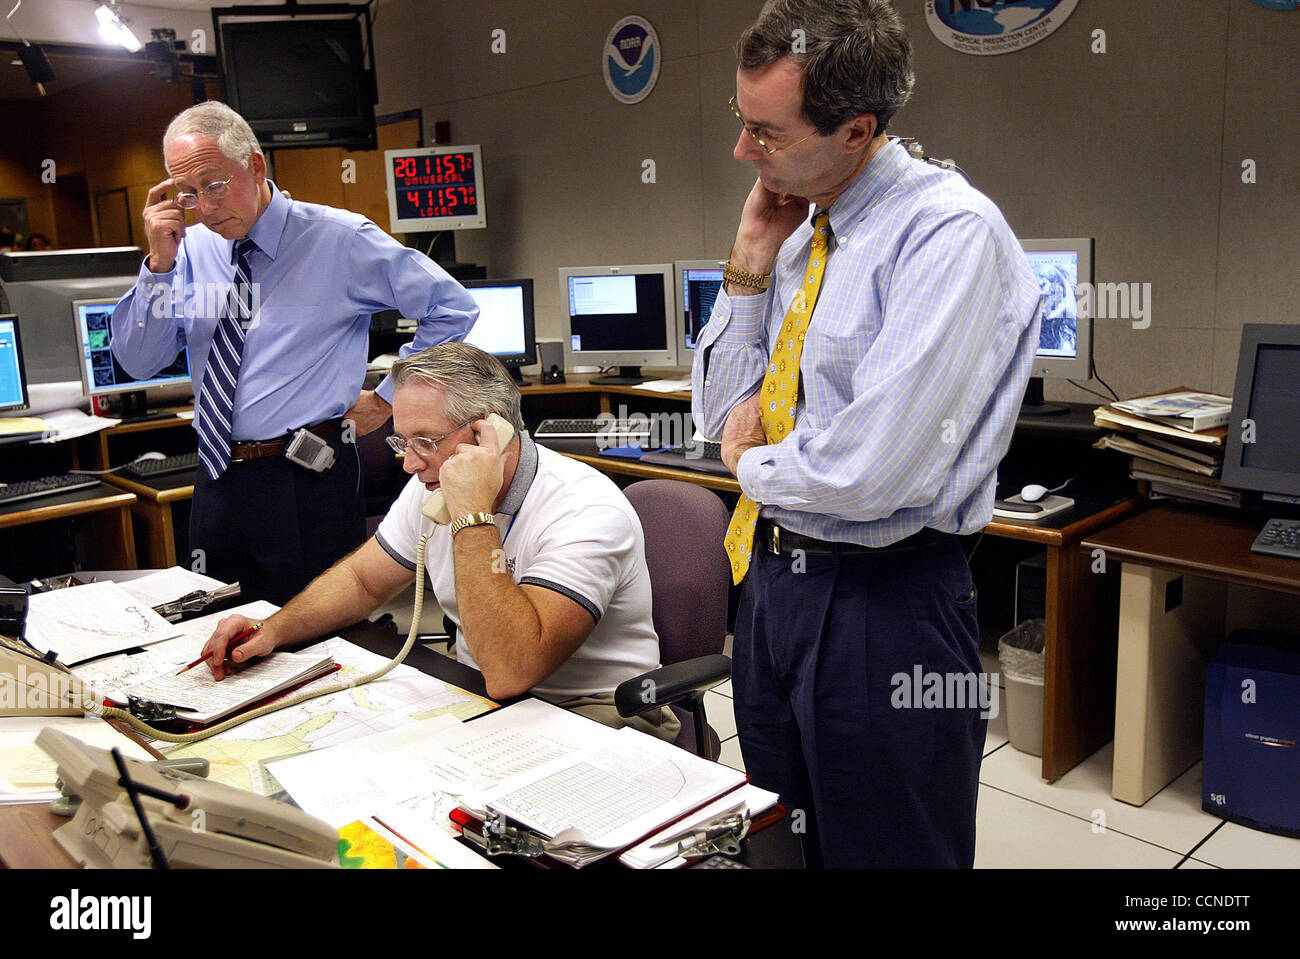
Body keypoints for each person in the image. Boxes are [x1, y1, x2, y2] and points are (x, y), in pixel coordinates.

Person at [692, 0, 1042, 868]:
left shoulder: (947, 235)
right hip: (774, 584)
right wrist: (747, 260)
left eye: (766, 133)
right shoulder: (803, 227)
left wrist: (753, 460)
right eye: (741, 121)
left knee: (890, 849)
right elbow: (716, 415)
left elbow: (872, 472)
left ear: (856, 129)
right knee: (786, 839)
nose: (744, 151)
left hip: (886, 603)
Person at [201, 343, 678, 740]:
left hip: (597, 712)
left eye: (425, 441)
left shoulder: (584, 510)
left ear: (487, 432)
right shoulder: (432, 483)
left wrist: (473, 514)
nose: (409, 462)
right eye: (402, 441)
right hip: (485, 695)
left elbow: (512, 670)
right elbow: (363, 581)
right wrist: (274, 630)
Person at [111, 101, 477, 605]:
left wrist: (390, 397)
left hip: (307, 474)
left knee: (316, 636)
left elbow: (452, 308)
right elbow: (138, 361)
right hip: (216, 474)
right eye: (189, 194)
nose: (207, 206)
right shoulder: (186, 251)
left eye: (215, 185)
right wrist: (158, 264)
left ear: (256, 166)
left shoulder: (339, 239)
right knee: (214, 627)